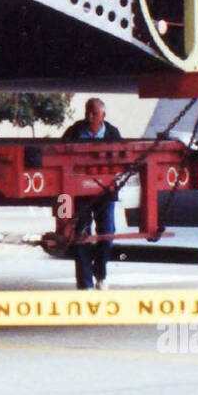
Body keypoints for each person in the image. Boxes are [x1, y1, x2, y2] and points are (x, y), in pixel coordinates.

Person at [61, 98, 124, 290]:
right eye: (88, 112)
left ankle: (100, 272)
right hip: (80, 193)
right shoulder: (73, 132)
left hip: (105, 192)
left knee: (107, 233)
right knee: (81, 235)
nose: (90, 117)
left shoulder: (113, 134)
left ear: (103, 115)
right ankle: (85, 283)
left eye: (94, 113)